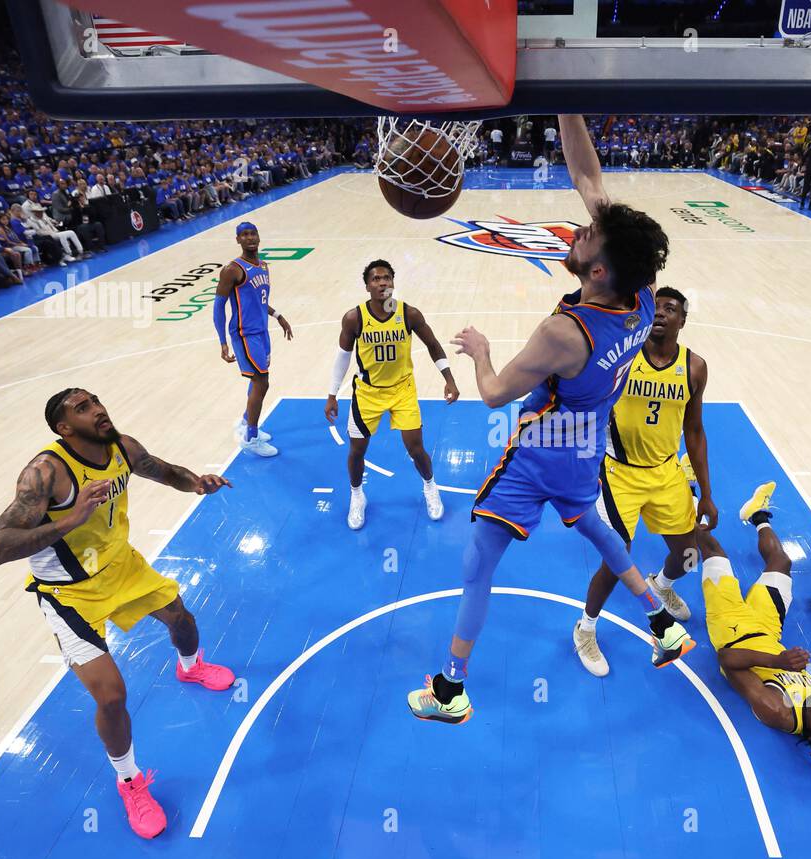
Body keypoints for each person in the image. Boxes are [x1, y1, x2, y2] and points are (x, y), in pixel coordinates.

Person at [406, 114, 694, 725]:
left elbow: (492, 394)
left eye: (586, 235)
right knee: (591, 521)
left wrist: (481, 351)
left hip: (543, 446)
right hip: (587, 441)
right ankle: (662, 621)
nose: (578, 230)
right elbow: (587, 175)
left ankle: (451, 689)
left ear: (595, 272)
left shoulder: (564, 333)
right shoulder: (640, 291)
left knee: (479, 558)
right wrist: (566, 104)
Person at [0, 388, 236, 839]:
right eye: (82, 408)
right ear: (63, 428)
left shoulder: (121, 445)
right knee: (113, 697)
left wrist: (196, 481)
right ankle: (130, 781)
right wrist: (71, 519)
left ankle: (190, 669)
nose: (97, 409)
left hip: (121, 566)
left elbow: (161, 469)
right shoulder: (45, 473)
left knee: (184, 621)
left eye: (96, 401)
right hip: (68, 593)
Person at [573, 286, 716, 676]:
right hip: (619, 471)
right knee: (617, 556)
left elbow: (695, 430)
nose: (663, 314)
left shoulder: (695, 367)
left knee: (688, 555)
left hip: (666, 471)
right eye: (659, 307)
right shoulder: (624, 355)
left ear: (683, 320)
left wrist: (706, 493)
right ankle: (585, 628)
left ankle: (663, 584)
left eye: (672, 309)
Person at [703, 483, 811, 782]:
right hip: (768, 629)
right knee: (782, 562)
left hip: (732, 631)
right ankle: (757, 514)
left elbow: (726, 659)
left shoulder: (778, 711)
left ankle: (692, 506)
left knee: (716, 552)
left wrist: (776, 663)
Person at [325, 259, 461, 529]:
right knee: (357, 450)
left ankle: (430, 487)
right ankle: (356, 495)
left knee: (416, 447)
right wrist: (332, 394)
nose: (382, 282)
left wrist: (449, 379)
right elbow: (343, 357)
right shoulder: (355, 318)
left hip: (403, 390)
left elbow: (433, 345)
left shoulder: (409, 314)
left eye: (386, 277)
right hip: (367, 393)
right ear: (367, 286)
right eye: (376, 279)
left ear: (393, 282)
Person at [212, 221, 293, 457]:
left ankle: (246, 421)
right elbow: (218, 307)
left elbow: (260, 299)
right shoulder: (232, 270)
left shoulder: (263, 265)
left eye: (253, 233)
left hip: (261, 330)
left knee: (257, 379)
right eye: (244, 235)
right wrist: (223, 342)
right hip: (244, 334)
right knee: (262, 382)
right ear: (238, 240)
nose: (250, 238)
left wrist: (277, 316)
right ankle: (251, 437)